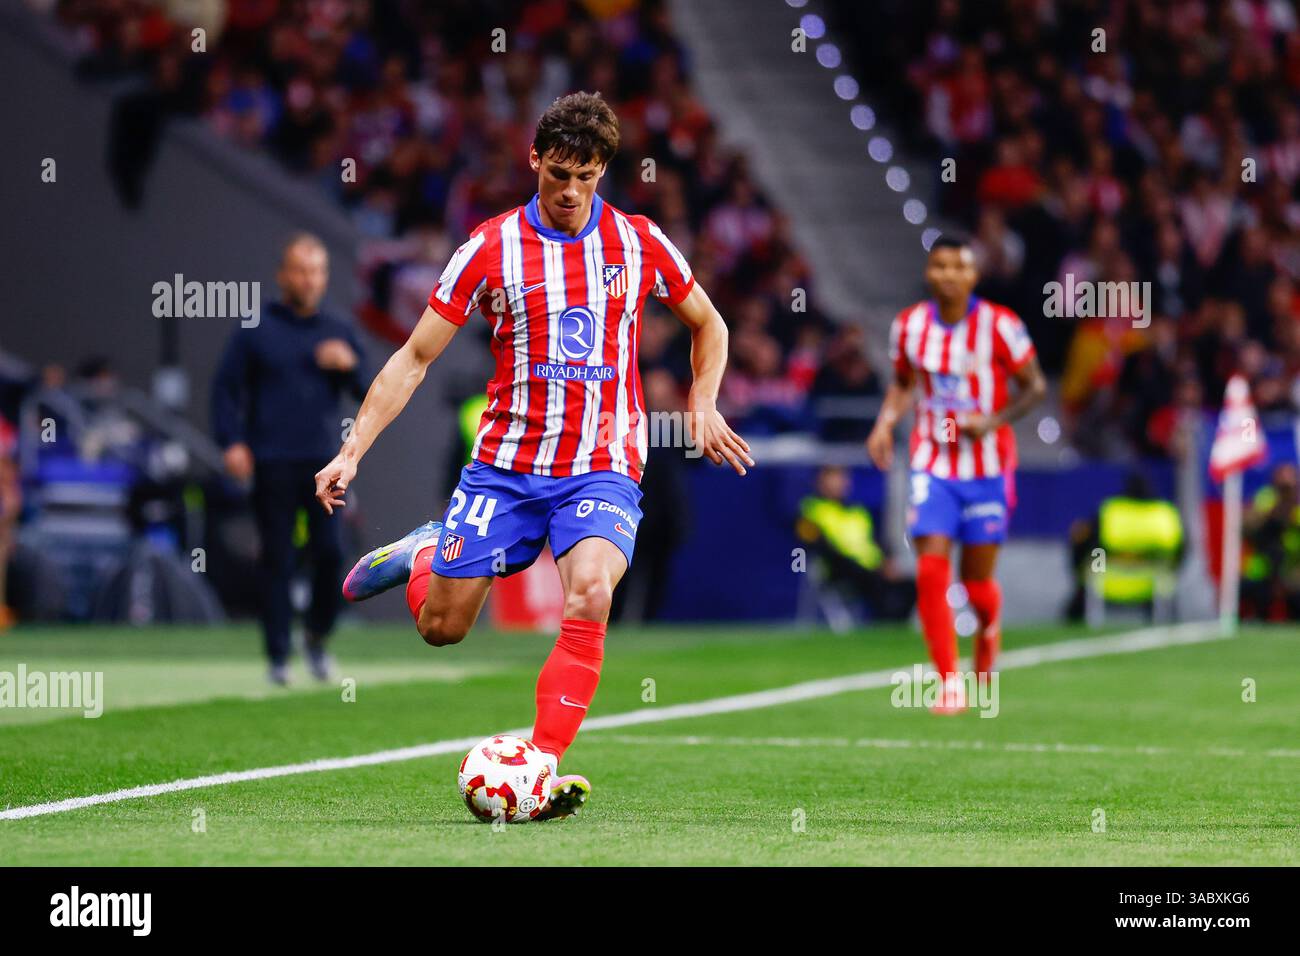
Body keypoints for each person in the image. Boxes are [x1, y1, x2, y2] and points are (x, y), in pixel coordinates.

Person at [313, 92, 752, 820]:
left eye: (585, 175)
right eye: (557, 174)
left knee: (591, 594)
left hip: (603, 464)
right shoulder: (490, 248)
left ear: (604, 169)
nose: (570, 191)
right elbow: (414, 358)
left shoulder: (638, 242)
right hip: (506, 470)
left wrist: (702, 404)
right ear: (534, 162)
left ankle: (541, 764)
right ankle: (426, 554)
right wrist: (351, 449)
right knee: (442, 628)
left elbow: (711, 324)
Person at [866, 235, 1047, 713]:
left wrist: (990, 421)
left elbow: (1035, 387)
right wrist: (885, 423)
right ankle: (949, 682)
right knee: (929, 566)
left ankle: (989, 628)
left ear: (973, 275)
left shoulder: (1001, 326)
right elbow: (904, 383)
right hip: (932, 461)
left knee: (976, 584)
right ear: (929, 272)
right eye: (939, 265)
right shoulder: (908, 327)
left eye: (957, 266)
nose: (947, 274)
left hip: (987, 467)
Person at [211, 234, 370, 685]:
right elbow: (225, 389)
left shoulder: (338, 330)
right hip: (272, 460)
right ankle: (278, 657)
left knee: (330, 552)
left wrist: (350, 365)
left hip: (325, 462)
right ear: (283, 275)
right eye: (300, 269)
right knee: (277, 558)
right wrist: (232, 441)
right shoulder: (257, 328)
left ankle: (317, 636)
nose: (309, 279)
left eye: (317, 270)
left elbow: (371, 391)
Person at [795, 465, 915, 622]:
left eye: (842, 478)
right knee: (877, 584)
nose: (839, 483)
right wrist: (862, 566)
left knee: (910, 585)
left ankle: (894, 629)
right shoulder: (810, 509)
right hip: (839, 569)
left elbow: (876, 542)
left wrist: (886, 563)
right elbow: (819, 547)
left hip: (872, 568)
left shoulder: (858, 511)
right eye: (833, 478)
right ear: (821, 481)